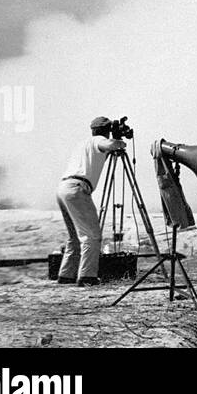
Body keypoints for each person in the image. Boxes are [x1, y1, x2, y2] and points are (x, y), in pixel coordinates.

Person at [55, 116, 124, 285]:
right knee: (92, 235)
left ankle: (66, 275)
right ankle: (87, 277)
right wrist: (119, 142)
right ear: (105, 131)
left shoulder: (83, 143)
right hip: (77, 189)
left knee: (74, 237)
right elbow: (111, 145)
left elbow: (100, 155)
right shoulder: (98, 141)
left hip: (64, 187)